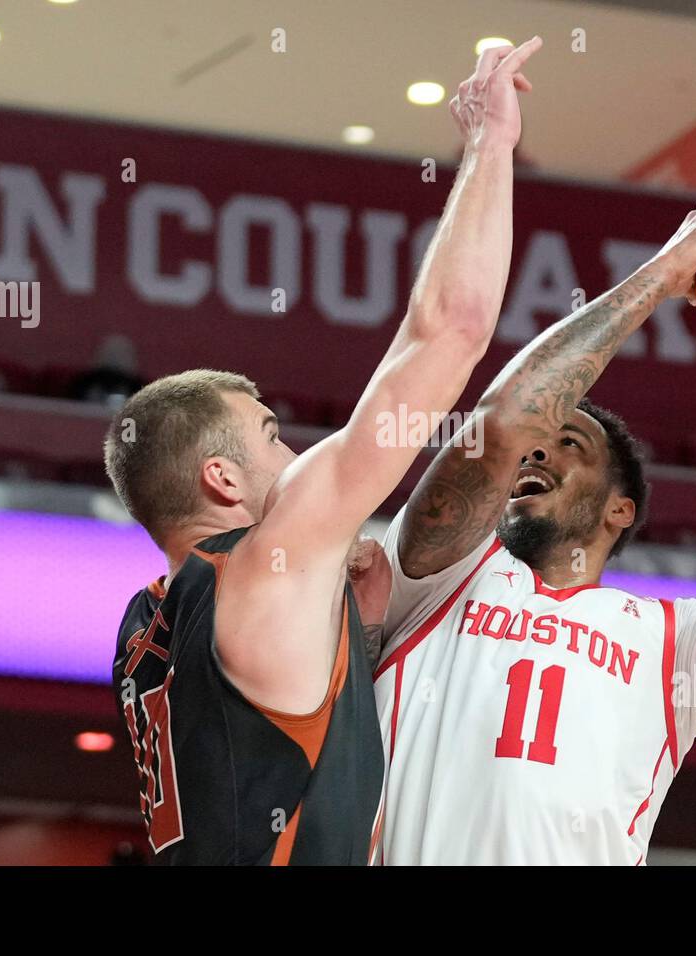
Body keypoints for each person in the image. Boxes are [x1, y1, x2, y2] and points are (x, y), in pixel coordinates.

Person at [372, 174, 696, 864]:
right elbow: (504, 425)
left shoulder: (668, 643)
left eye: (571, 443)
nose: (539, 448)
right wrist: (662, 276)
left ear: (620, 509)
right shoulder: (438, 578)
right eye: (543, 437)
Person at [105, 38, 542, 864]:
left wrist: (353, 633)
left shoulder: (145, 627)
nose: (295, 452)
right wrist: (492, 143)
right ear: (221, 477)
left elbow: (259, 761)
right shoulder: (265, 561)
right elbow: (449, 330)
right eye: (271, 435)